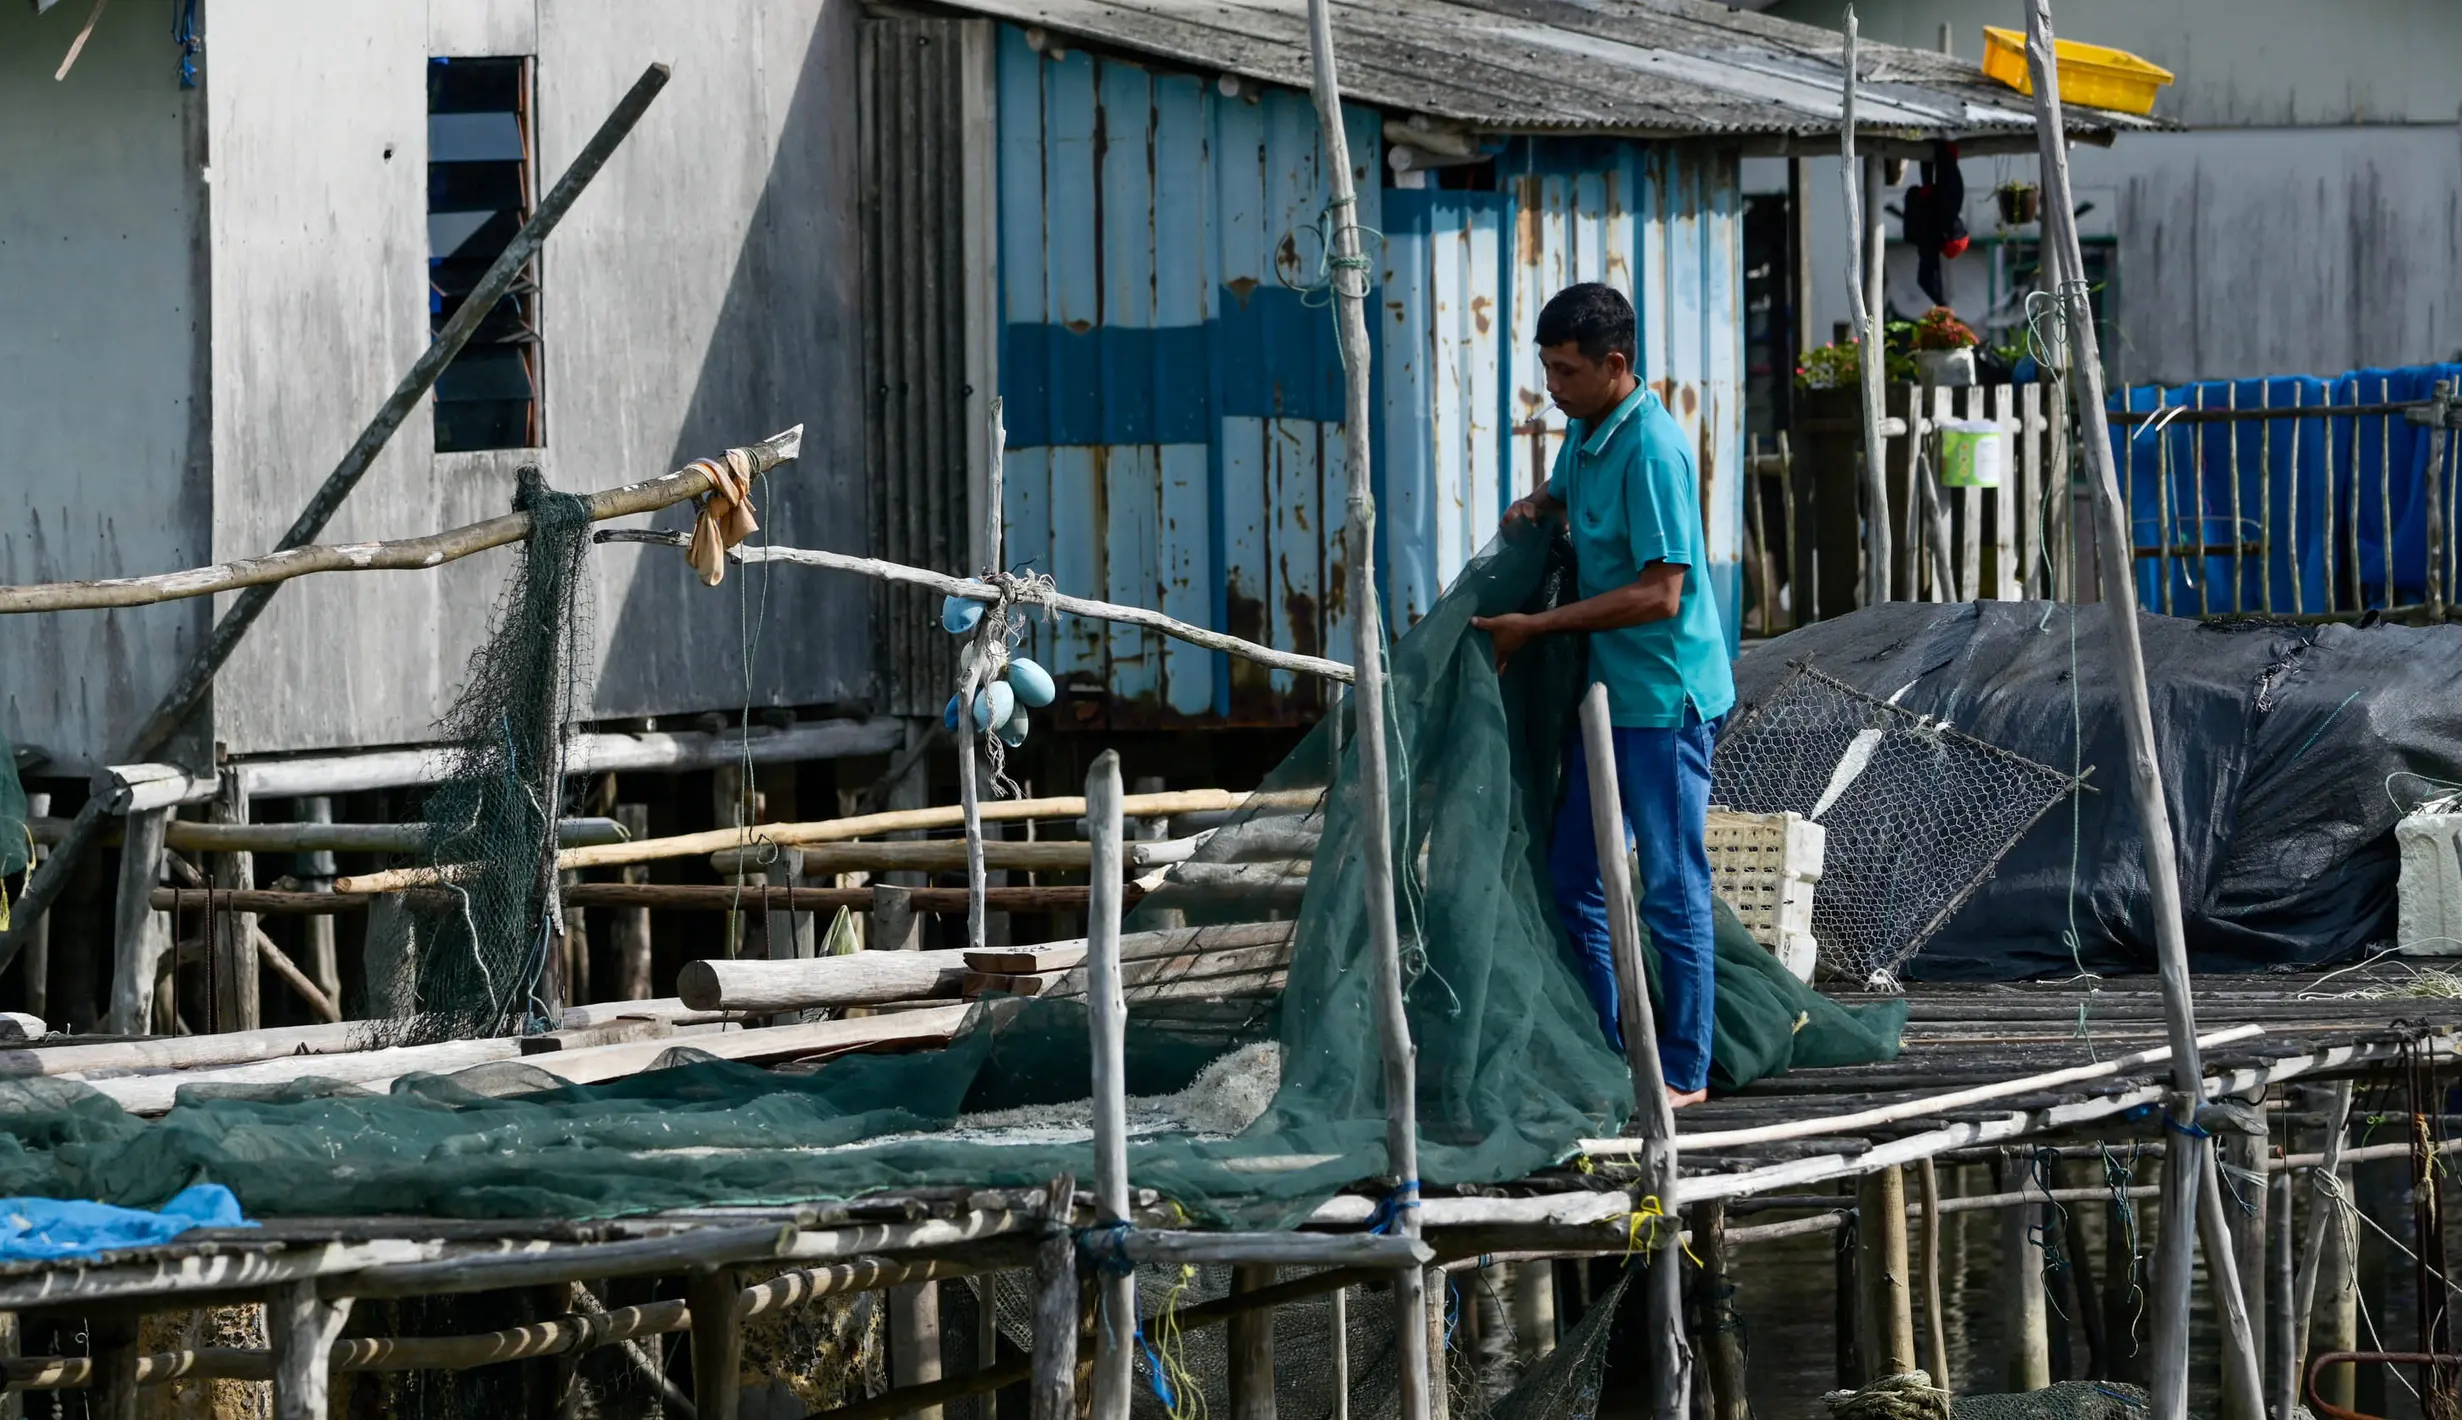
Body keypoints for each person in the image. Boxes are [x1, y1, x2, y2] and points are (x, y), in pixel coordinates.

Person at [1471, 283, 1734, 1110]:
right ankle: (1614, 1047)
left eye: (1565, 370)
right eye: (1546, 367)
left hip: (1664, 699)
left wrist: (1535, 629)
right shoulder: (1586, 433)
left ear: (1615, 366)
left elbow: (1662, 593)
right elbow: (1563, 497)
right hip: (1608, 697)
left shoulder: (1652, 449)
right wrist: (1537, 504)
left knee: (1670, 884)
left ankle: (1683, 1070)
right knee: (1575, 876)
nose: (1551, 385)